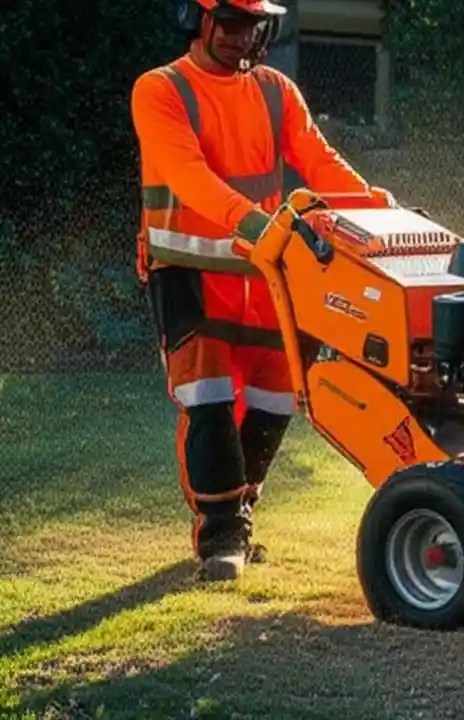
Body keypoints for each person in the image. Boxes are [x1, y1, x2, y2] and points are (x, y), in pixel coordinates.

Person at [131, 0, 388, 581]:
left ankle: (242, 514)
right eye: (231, 23)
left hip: (266, 271)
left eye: (253, 25)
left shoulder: (276, 91)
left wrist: (374, 207)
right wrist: (257, 224)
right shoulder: (161, 90)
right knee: (210, 398)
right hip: (188, 271)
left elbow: (318, 161)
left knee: (276, 399)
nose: (242, 37)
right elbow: (187, 175)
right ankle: (220, 538)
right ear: (195, 20)